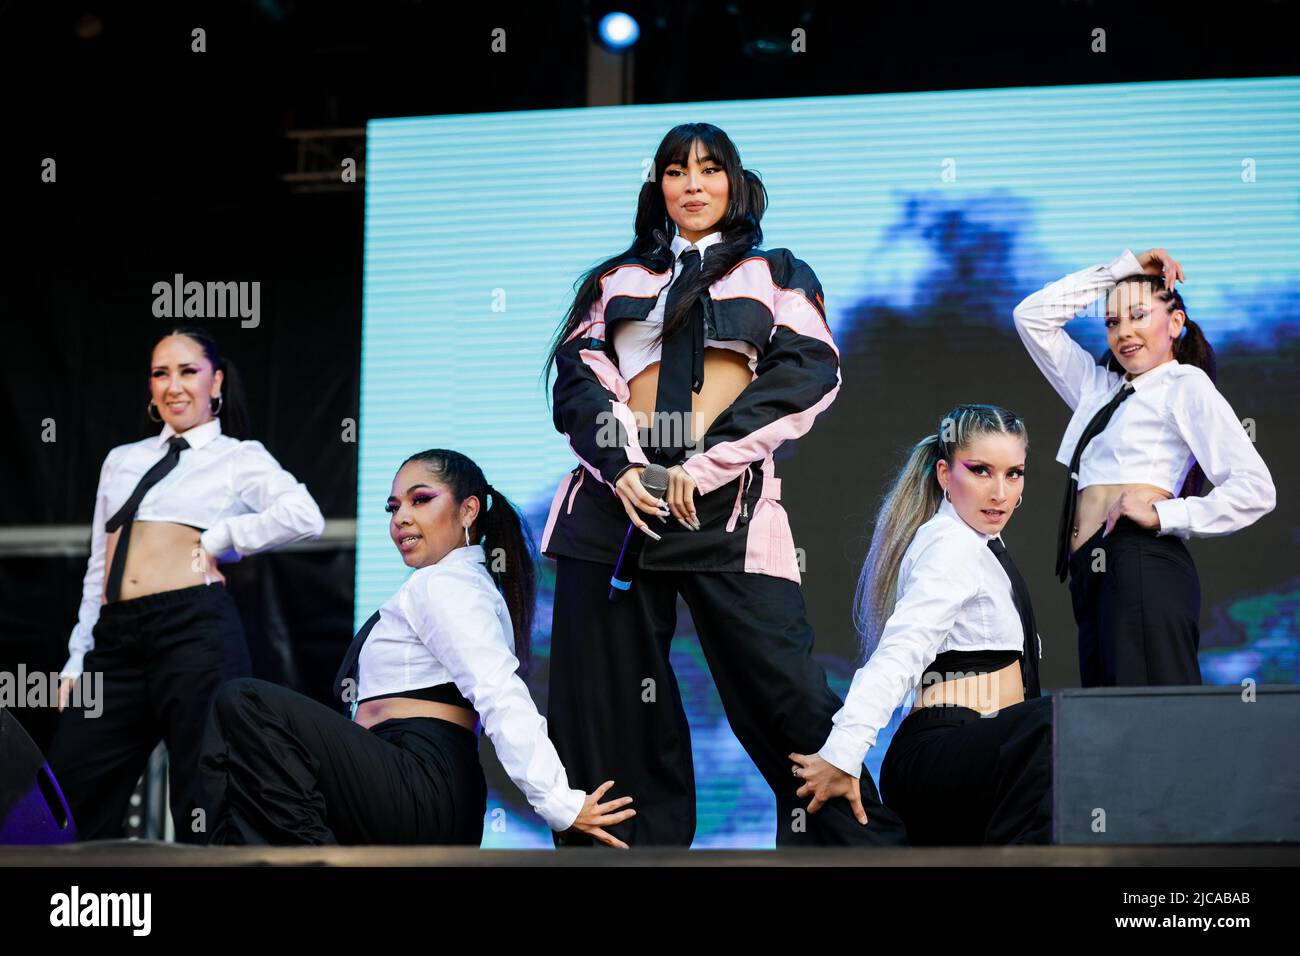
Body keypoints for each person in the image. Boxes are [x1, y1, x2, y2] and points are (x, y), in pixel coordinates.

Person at [540, 121, 907, 846]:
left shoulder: (776, 274)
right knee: (613, 716)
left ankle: (862, 856)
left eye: (709, 170)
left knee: (789, 698)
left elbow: (809, 373)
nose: (693, 185)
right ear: (659, 187)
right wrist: (627, 470)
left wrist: (699, 466)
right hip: (616, 513)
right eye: (676, 171)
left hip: (728, 510)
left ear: (735, 183)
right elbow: (580, 384)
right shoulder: (616, 281)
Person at [199, 449, 636, 847]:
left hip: (420, 779)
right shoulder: (443, 584)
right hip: (406, 782)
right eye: (393, 507)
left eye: (420, 499)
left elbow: (499, 692)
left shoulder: (450, 584)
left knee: (245, 703)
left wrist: (559, 803)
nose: (400, 518)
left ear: (468, 510)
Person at [47, 326, 325, 842]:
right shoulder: (122, 460)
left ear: (215, 381)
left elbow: (305, 515)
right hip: (116, 637)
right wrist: (77, 654)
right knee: (69, 788)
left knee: (205, 789)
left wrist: (223, 537)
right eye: (160, 373)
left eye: (188, 371)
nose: (174, 385)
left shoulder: (238, 456)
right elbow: (96, 566)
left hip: (193, 629)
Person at [1012, 247, 1276, 686]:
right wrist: (1124, 269)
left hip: (1141, 563)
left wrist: (1164, 514)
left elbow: (1256, 488)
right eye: (1113, 321)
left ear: (1175, 324)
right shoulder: (1097, 387)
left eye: (1138, 315)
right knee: (1116, 731)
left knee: (1155, 728)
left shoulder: (1183, 383)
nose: (1124, 332)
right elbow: (1032, 317)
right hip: (1091, 575)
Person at [791, 405, 1052, 845]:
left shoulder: (982, 547)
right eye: (982, 470)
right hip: (944, 754)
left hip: (987, 761)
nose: (1001, 492)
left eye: (1014, 474)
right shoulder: (950, 545)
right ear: (945, 475)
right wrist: (843, 753)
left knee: (1068, 738)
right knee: (1060, 729)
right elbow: (902, 651)